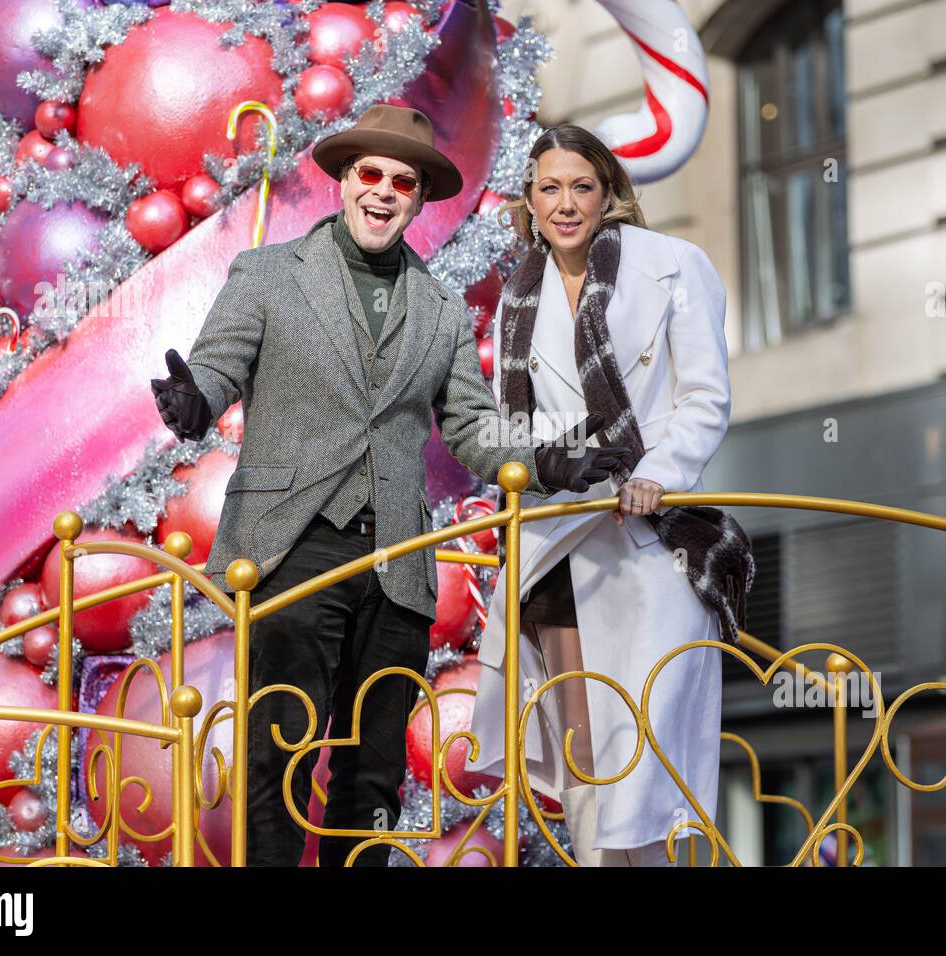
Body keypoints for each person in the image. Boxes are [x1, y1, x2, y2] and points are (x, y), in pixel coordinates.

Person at [150, 105, 626, 867]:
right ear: (345, 182)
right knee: (281, 751)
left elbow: (472, 425)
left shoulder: (439, 308)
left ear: (417, 198)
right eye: (369, 174)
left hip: (397, 566)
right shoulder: (270, 274)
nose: (383, 191)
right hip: (290, 548)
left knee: (372, 774)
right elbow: (218, 366)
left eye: (401, 181)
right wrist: (195, 400)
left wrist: (549, 460)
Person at [468, 125, 744, 866]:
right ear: (528, 198)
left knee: (648, 746)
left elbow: (705, 398)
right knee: (584, 748)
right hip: (558, 536)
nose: (565, 204)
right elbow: (516, 423)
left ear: (608, 193)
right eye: (549, 188)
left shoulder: (675, 265)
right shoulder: (517, 293)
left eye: (581, 187)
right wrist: (559, 467)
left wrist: (660, 472)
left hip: (652, 534)